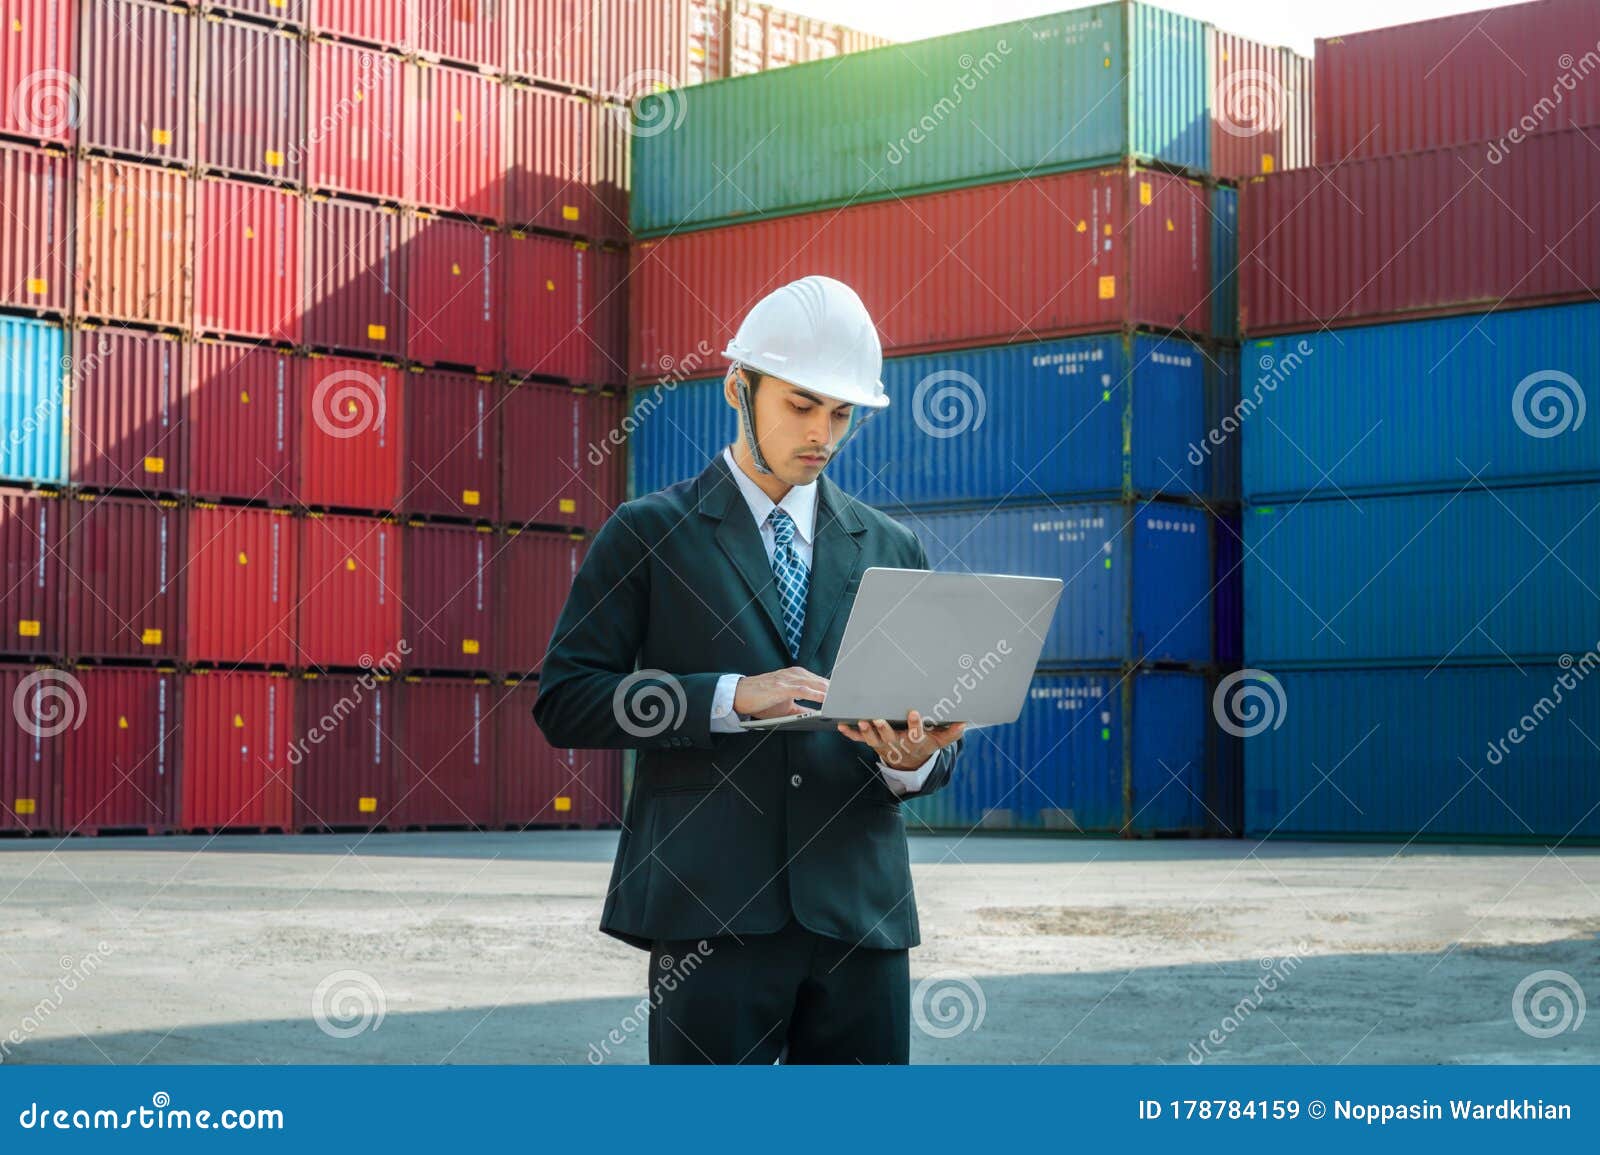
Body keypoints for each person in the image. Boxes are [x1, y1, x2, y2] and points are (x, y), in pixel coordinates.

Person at [533, 275, 966, 1064]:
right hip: (710, 912)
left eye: (841, 414)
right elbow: (568, 700)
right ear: (740, 386)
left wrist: (917, 760)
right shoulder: (649, 533)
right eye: (801, 405)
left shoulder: (892, 547)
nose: (822, 434)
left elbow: (927, 726)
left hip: (860, 913)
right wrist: (732, 697)